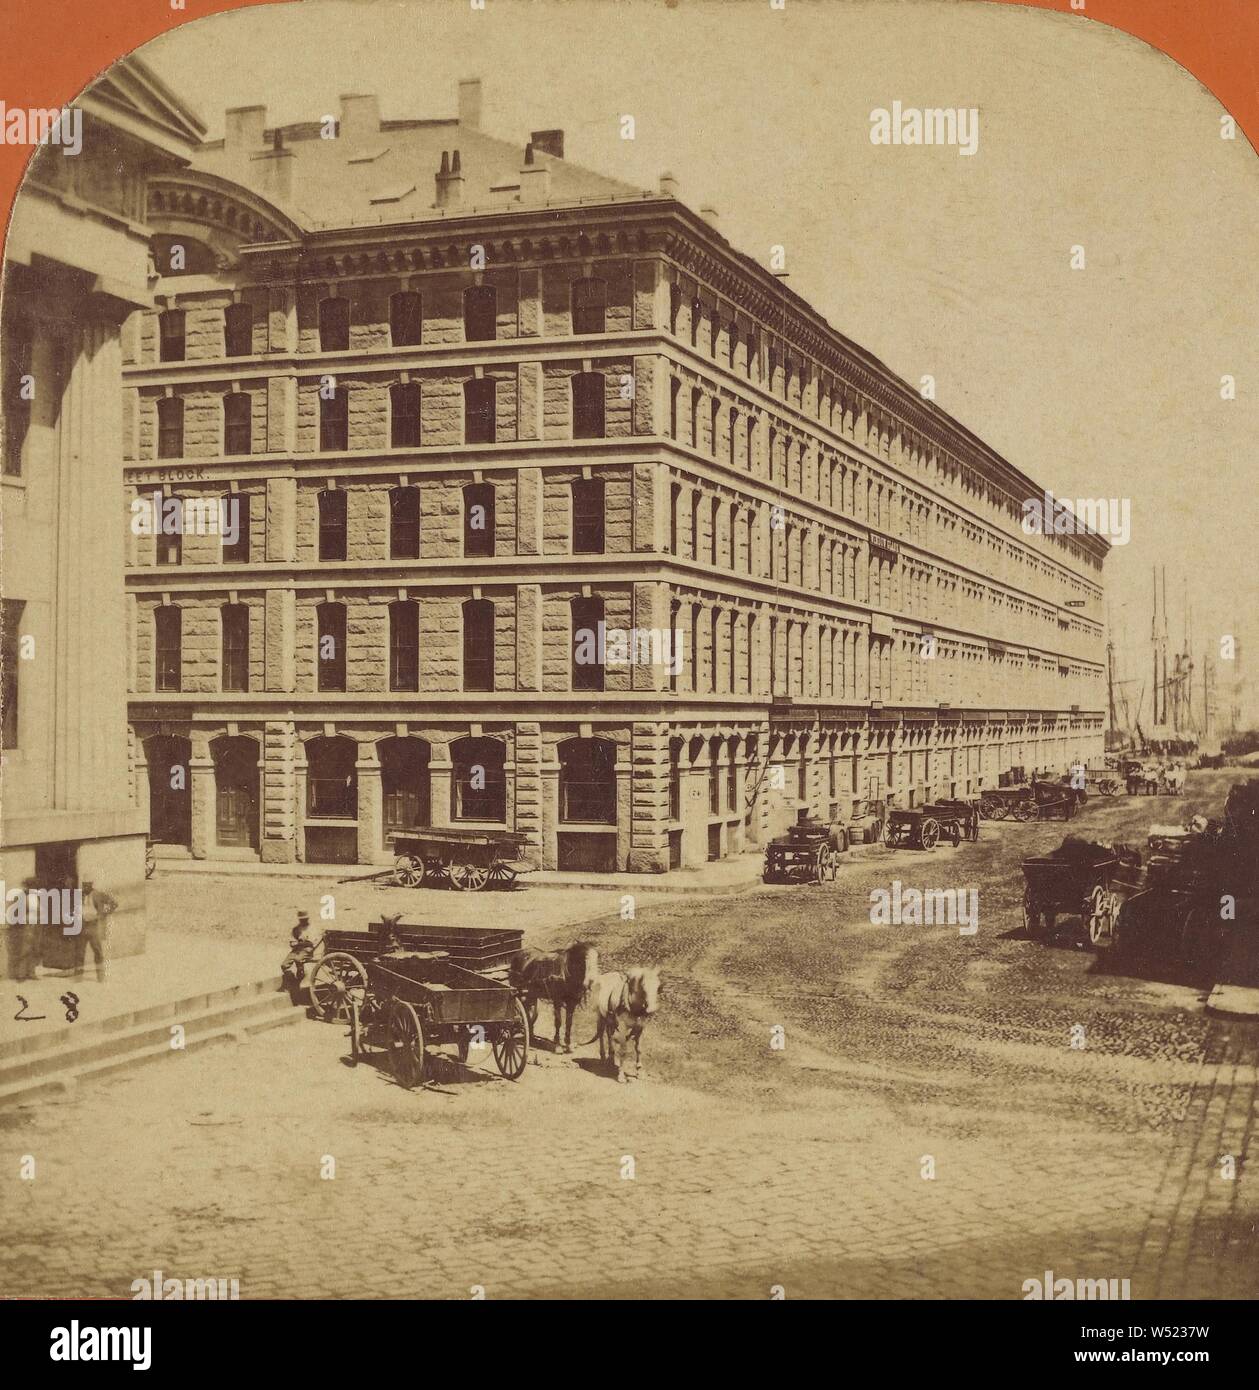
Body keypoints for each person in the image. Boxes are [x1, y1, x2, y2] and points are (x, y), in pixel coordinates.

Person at [76, 881, 116, 983]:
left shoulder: (98, 894)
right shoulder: (79, 895)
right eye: (84, 884)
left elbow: (114, 904)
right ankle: (78, 977)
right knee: (80, 952)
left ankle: (101, 976)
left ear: (91, 885)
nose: (85, 887)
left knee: (98, 952)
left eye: (87, 885)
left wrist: (102, 914)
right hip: (81, 926)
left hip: (93, 926)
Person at [15, 877, 43, 981]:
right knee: (25, 949)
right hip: (28, 925)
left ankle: (31, 973)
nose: (33, 887)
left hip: (37, 925)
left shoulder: (37, 897)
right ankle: (21, 974)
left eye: (35, 886)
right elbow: (18, 913)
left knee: (35, 948)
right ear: (27, 886)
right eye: (31, 885)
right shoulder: (22, 897)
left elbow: (40, 910)